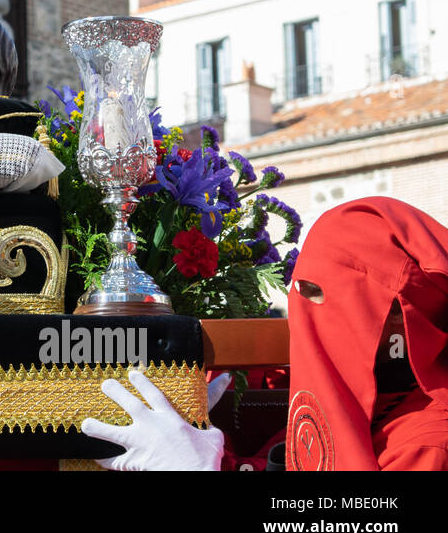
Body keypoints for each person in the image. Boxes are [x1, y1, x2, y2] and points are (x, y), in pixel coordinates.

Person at [81, 196, 448, 471]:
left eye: (318, 294)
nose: (304, 310)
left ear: (399, 316)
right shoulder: (386, 395)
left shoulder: (431, 443)